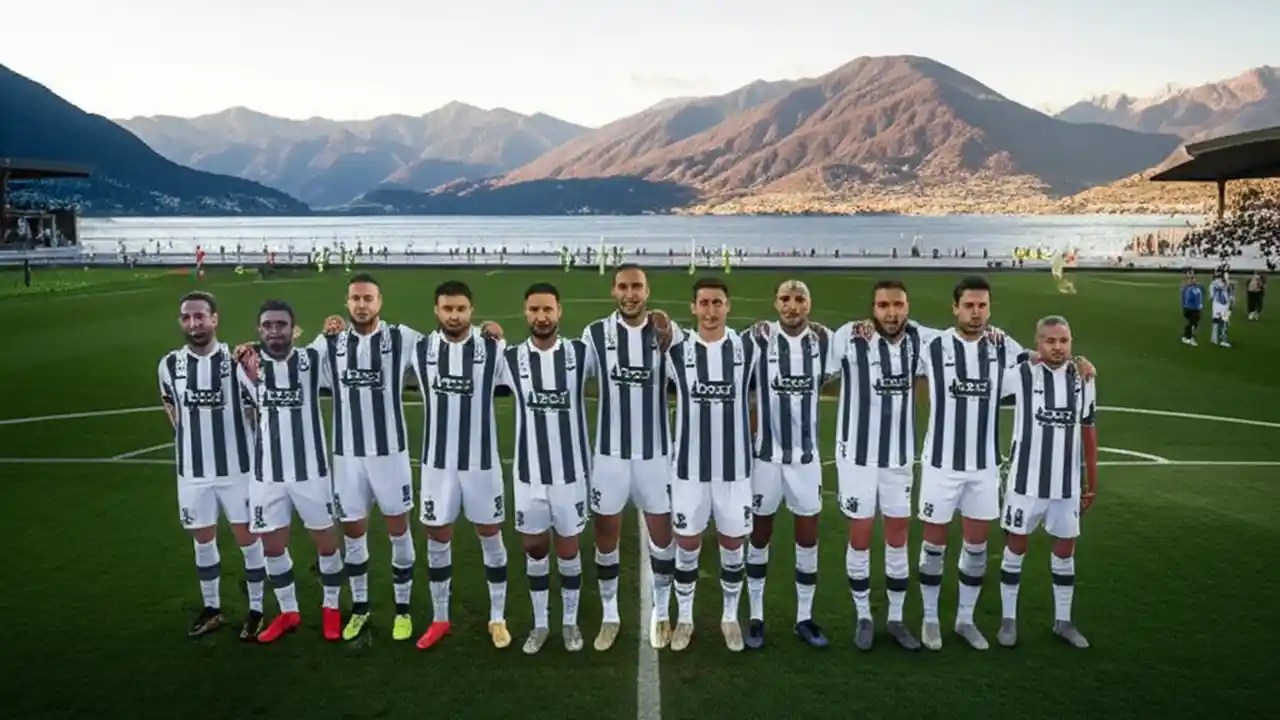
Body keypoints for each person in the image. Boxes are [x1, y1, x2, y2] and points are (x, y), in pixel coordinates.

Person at [915, 276, 1028, 651]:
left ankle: (965, 619)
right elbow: (888, 331)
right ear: (955, 308)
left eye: (982, 306)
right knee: (934, 544)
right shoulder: (932, 345)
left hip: (983, 467)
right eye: (969, 306)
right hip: (940, 465)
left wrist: (1080, 361)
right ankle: (930, 620)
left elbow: (1044, 359)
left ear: (990, 309)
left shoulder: (1003, 347)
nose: (976, 313)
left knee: (976, 546)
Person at [829, 280, 934, 651]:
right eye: (884, 305)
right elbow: (815, 361)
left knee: (897, 536)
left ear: (908, 306)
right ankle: (863, 616)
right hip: (856, 458)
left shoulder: (922, 339)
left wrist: (1066, 359)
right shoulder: (848, 336)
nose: (891, 312)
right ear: (872, 307)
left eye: (898, 305)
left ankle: (895, 617)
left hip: (898, 458)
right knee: (859, 535)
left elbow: (970, 338)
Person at [408, 281, 513, 651]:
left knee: (491, 537)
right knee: (437, 538)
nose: (454, 315)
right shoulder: (418, 348)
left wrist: (499, 334)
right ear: (436, 311)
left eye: (461, 309)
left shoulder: (493, 349)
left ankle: (497, 617)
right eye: (447, 309)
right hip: (437, 467)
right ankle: (439, 619)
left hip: (482, 464)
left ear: (472, 310)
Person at [580, 265, 679, 650]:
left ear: (647, 290)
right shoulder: (595, 334)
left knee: (662, 535)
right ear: (613, 291)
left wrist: (669, 333)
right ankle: (610, 615)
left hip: (656, 454)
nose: (630, 293)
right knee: (606, 537)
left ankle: (661, 611)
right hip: (610, 456)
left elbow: (690, 368)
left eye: (637, 286)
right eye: (623, 286)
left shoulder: (667, 332)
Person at [157, 291, 265, 639]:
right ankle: (212, 608)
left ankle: (257, 609)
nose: (193, 323)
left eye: (200, 316)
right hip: (192, 474)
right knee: (202, 541)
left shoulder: (237, 361)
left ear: (214, 319)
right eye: (186, 317)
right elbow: (172, 410)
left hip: (237, 470)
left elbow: (257, 408)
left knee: (249, 541)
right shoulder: (169, 365)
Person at [237, 300, 345, 643]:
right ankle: (288, 611)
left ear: (293, 329)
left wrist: (335, 318)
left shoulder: (312, 359)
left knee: (327, 544)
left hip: (311, 472)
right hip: (267, 474)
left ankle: (331, 608)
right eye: (267, 325)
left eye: (281, 325)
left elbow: (335, 334)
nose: (274, 331)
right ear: (259, 330)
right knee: (272, 547)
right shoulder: (244, 365)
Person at [496, 283, 596, 654]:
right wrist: (487, 332)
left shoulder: (581, 353)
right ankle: (540, 624)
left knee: (569, 550)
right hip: (528, 477)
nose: (541, 317)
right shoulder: (508, 359)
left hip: (570, 476)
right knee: (535, 549)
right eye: (534, 310)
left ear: (560, 312)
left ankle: (569, 623)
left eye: (548, 309)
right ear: (526, 313)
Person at [665, 277, 760, 652]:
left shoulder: (747, 348)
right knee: (686, 543)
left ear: (728, 306)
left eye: (716, 302)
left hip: (735, 470)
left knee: (733, 543)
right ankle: (685, 618)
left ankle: (729, 617)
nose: (709, 310)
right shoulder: (675, 352)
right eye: (703, 303)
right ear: (693, 308)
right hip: (689, 468)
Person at [997, 316, 1098, 649]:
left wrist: (1091, 481)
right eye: (1050, 341)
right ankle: (1008, 620)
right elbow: (991, 387)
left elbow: (1088, 429)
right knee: (1016, 547)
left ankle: (1063, 621)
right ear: (1038, 343)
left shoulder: (1084, 378)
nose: (1058, 347)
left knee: (1065, 551)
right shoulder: (1022, 375)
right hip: (1025, 483)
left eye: (1064, 341)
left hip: (1066, 485)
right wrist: (1024, 357)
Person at [742, 280, 831, 649]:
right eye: (785, 299)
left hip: (806, 461)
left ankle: (804, 618)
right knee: (759, 535)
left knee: (807, 538)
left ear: (809, 304)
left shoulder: (826, 341)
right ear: (775, 303)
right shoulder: (757, 338)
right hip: (765, 460)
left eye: (799, 299)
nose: (792, 306)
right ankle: (757, 616)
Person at [1210, 270, 1234, 347]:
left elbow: (1230, 294)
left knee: (1222, 322)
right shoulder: (1215, 284)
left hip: (1222, 305)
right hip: (1219, 305)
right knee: (1220, 322)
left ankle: (1217, 339)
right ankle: (1220, 339)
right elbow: (1217, 290)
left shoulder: (1224, 284)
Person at [1181, 271, 1204, 346]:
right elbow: (1187, 298)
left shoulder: (1197, 287)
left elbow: (1201, 293)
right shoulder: (1188, 289)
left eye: (1193, 278)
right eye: (1191, 279)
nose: (1193, 280)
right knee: (1191, 323)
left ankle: (1189, 336)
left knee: (1194, 323)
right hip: (1190, 308)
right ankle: (1187, 337)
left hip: (1196, 308)